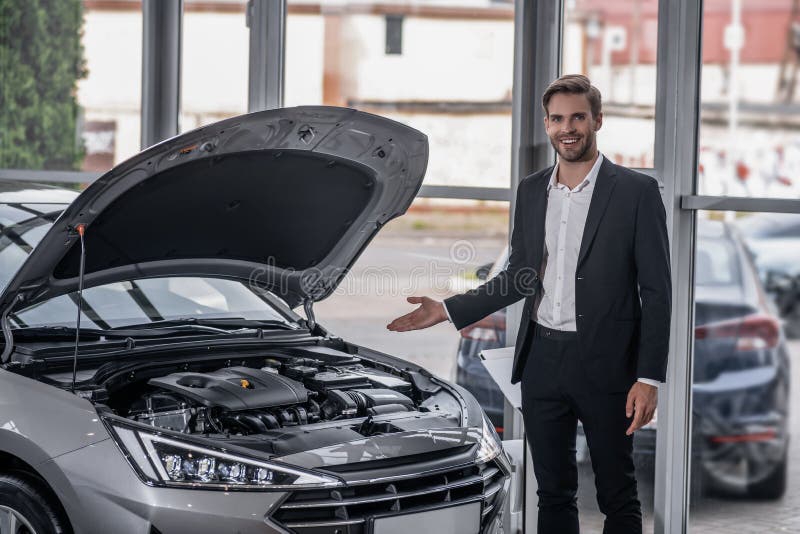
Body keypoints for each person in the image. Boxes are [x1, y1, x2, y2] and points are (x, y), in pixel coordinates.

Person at [386, 74, 671, 534]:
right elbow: (519, 277)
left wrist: (649, 378)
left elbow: (657, 291)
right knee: (552, 493)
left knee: (618, 495)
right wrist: (447, 309)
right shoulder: (533, 189)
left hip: (608, 365)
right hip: (543, 361)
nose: (567, 128)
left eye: (578, 117)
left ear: (597, 120)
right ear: (546, 124)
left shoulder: (636, 192)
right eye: (557, 119)